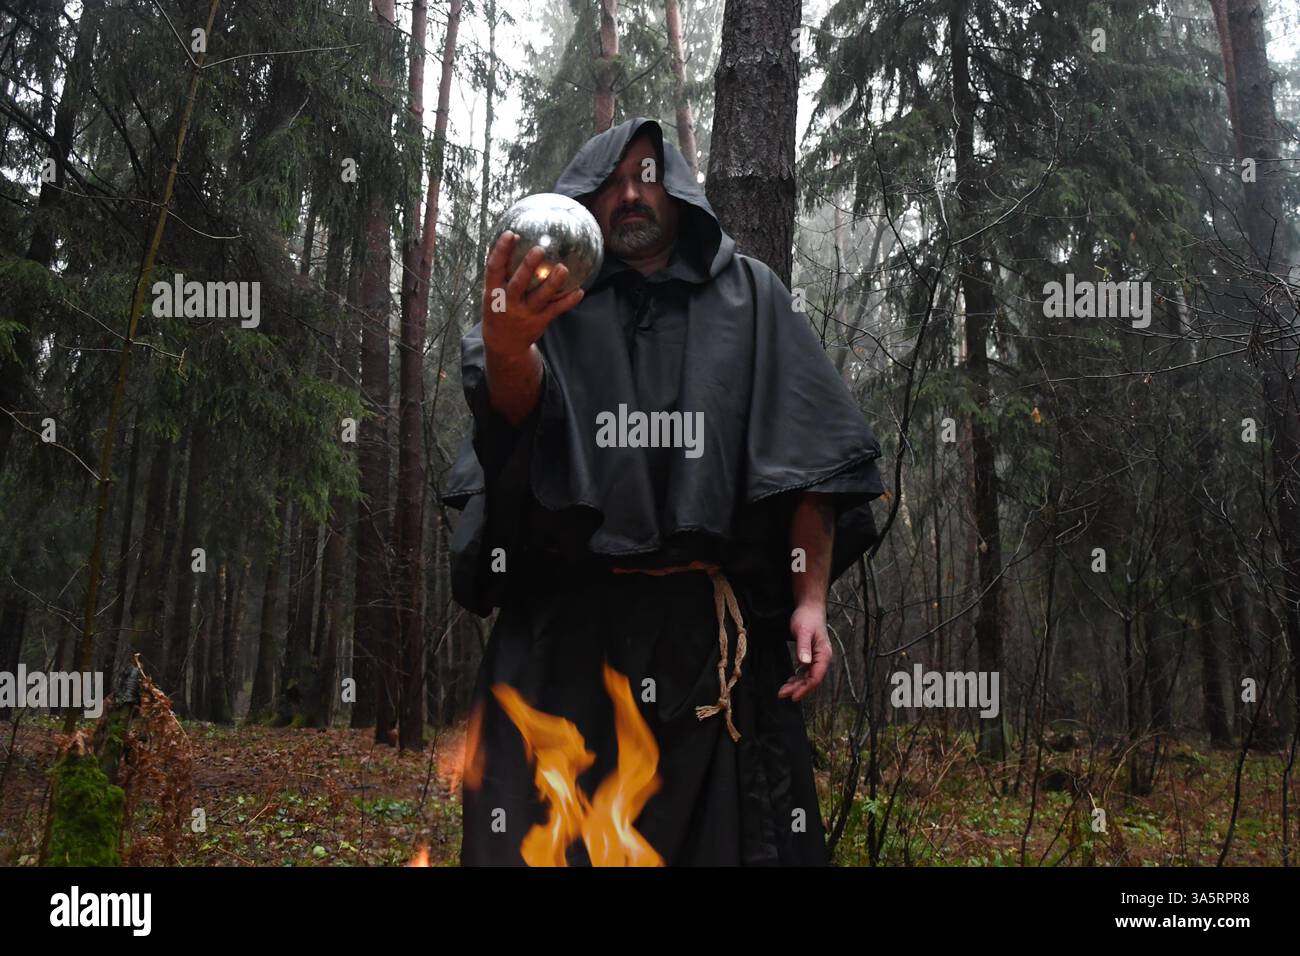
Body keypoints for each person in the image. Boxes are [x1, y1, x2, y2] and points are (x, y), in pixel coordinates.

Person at [442, 117, 885, 866]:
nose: (628, 196)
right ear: (585, 200)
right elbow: (513, 426)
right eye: (609, 183)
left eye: (643, 176)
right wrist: (509, 345)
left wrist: (810, 601)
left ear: (676, 189)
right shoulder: (553, 302)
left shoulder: (751, 298)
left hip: (710, 654)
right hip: (566, 644)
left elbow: (810, 463)